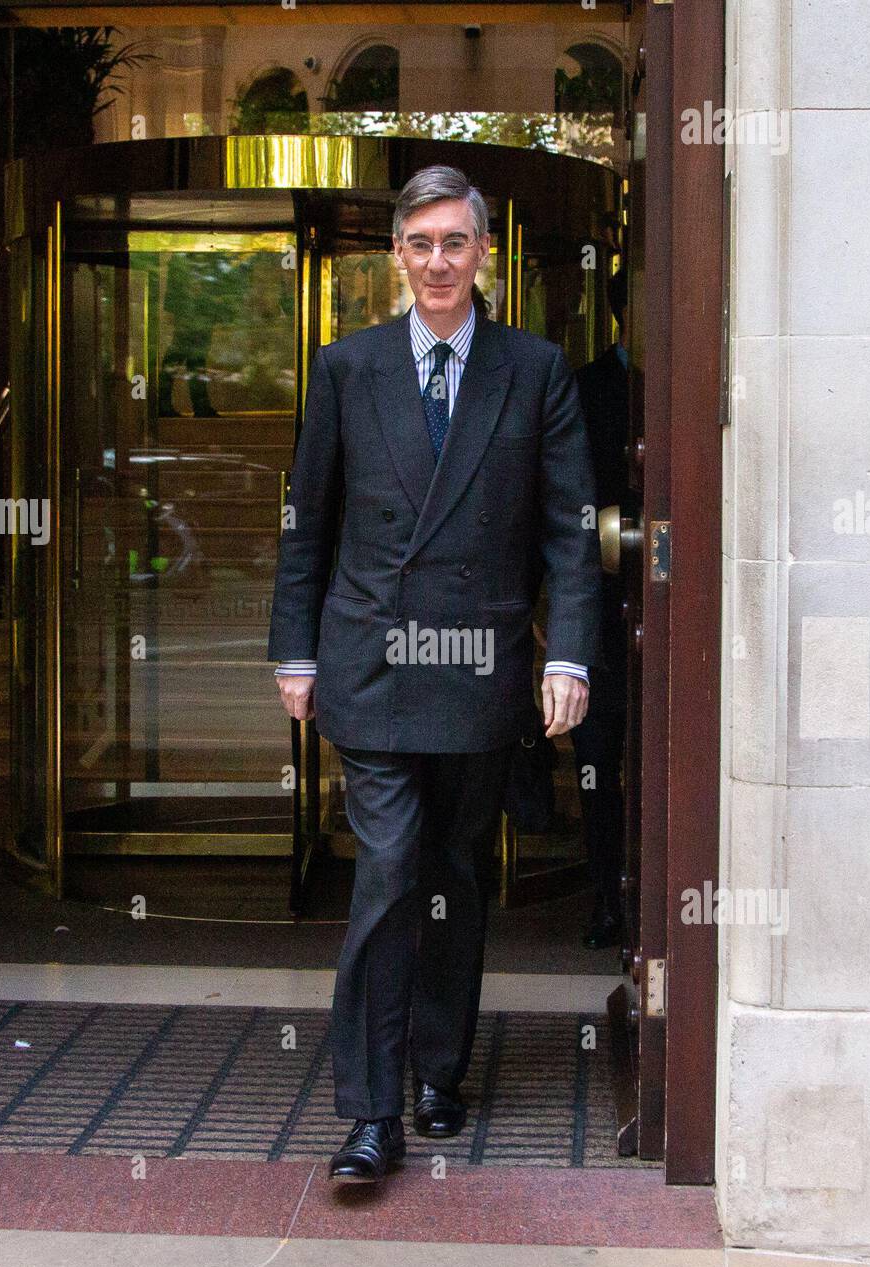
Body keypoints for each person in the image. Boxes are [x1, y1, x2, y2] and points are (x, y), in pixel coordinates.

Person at [269, 165, 603, 1183]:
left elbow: (569, 533)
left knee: (454, 877)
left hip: (478, 667)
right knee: (386, 875)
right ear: (397, 256)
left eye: (455, 242)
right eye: (420, 244)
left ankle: (437, 1069)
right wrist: (295, 648)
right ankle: (370, 1115)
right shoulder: (348, 368)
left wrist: (571, 652)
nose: (438, 262)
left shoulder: (534, 369)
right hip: (372, 665)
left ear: (484, 250)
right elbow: (308, 521)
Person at [572, 269, 630, 948]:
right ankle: (605, 895)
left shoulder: (682, 379)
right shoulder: (583, 387)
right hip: (595, 605)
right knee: (596, 757)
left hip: (670, 605)